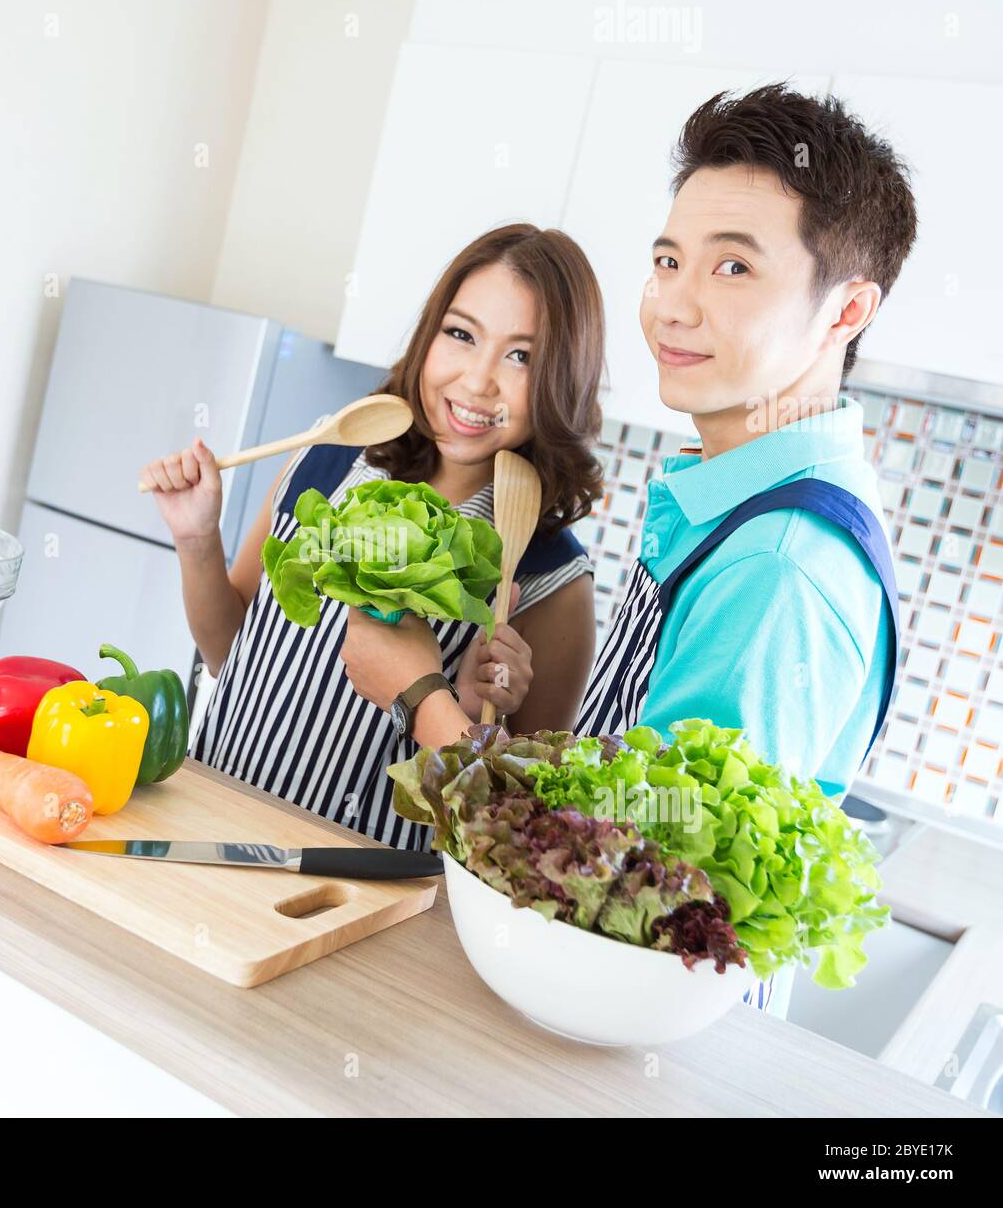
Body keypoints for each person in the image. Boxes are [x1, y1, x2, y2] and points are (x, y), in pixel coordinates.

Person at [343, 85, 913, 1016]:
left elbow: (643, 898)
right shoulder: (735, 511)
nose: (673, 308)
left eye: (733, 270)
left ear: (845, 311)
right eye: (668, 259)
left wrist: (420, 696)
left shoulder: (778, 566)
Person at [141, 224, 606, 849]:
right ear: (429, 335)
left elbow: (516, 826)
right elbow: (232, 652)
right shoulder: (328, 457)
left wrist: (476, 711)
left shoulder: (551, 579)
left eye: (521, 356)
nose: (476, 381)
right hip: (210, 816)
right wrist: (198, 539)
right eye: (461, 335)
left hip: (362, 892)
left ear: (561, 378)